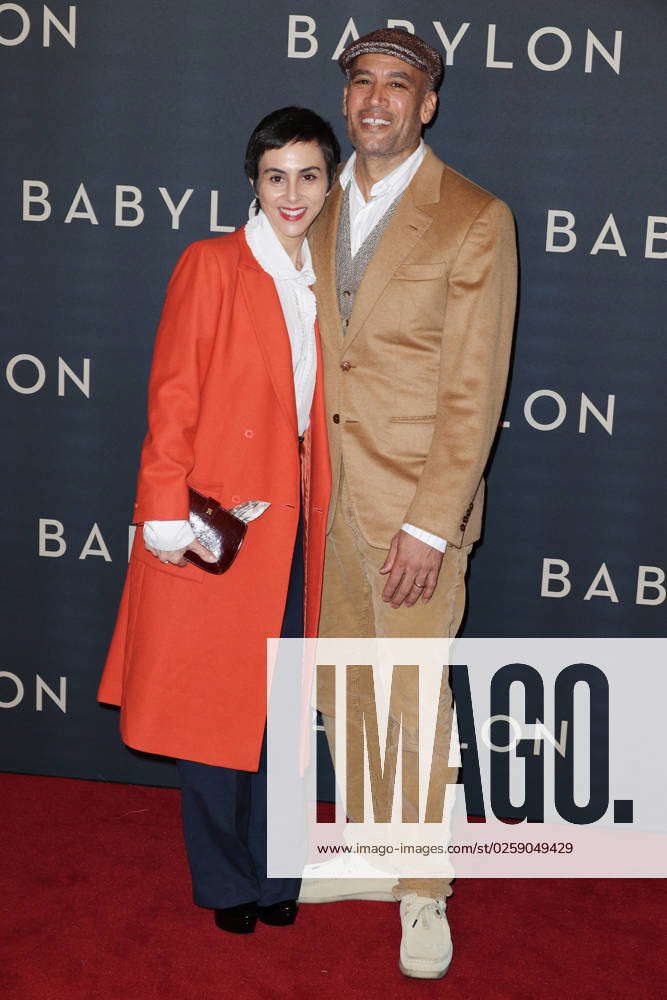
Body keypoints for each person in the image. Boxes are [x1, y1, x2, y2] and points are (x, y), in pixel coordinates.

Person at [299, 28, 518, 979]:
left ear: (428, 103)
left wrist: (431, 522)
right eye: (361, 83)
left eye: (399, 84)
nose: (376, 100)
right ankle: (378, 854)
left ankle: (425, 888)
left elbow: (475, 388)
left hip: (410, 507)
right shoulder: (304, 200)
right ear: (345, 99)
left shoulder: (473, 214)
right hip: (319, 500)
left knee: (410, 696)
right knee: (344, 683)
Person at [98, 107, 339, 935]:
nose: (292, 193)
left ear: (330, 182)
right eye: (277, 176)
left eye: (309, 175)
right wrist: (161, 510)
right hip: (224, 522)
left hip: (308, 523)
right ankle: (227, 883)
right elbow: (172, 396)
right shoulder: (211, 263)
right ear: (254, 183)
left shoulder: (338, 278)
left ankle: (279, 875)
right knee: (211, 705)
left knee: (282, 707)